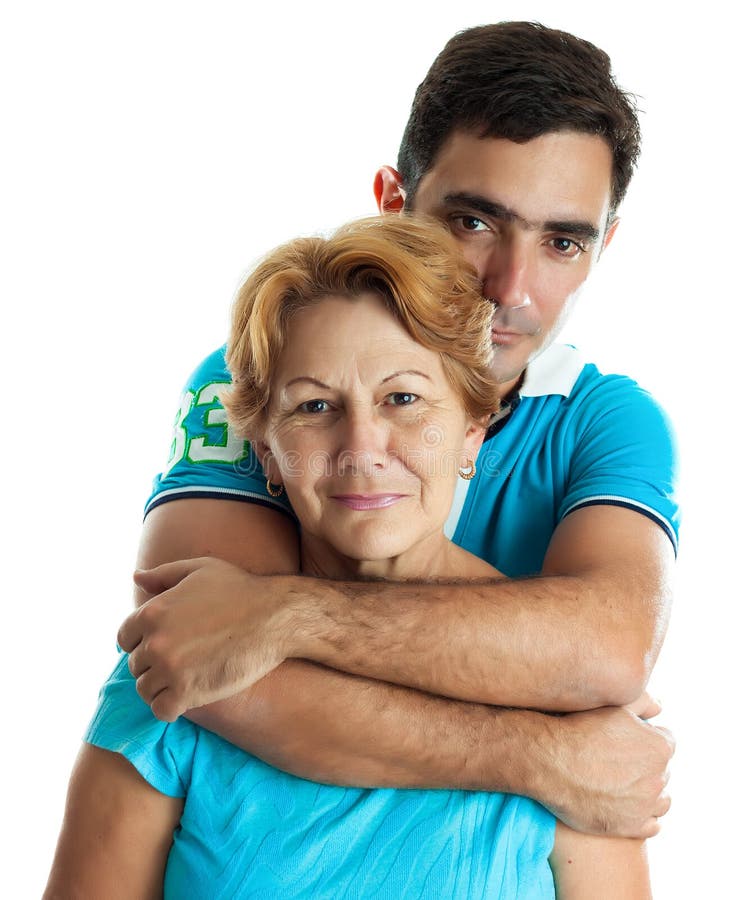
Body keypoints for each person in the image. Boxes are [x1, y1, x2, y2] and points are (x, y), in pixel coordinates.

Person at [67, 18, 676, 852]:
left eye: (562, 241)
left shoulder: (608, 421)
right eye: (474, 222)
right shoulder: (268, 372)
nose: (511, 288)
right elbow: (196, 663)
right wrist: (538, 750)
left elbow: (607, 657)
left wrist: (283, 618)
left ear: (604, 244)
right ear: (395, 201)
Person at [46, 216, 653, 898]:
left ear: (471, 436)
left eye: (403, 399)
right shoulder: (178, 666)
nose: (362, 447)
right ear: (268, 454)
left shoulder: (575, 719)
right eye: (313, 406)